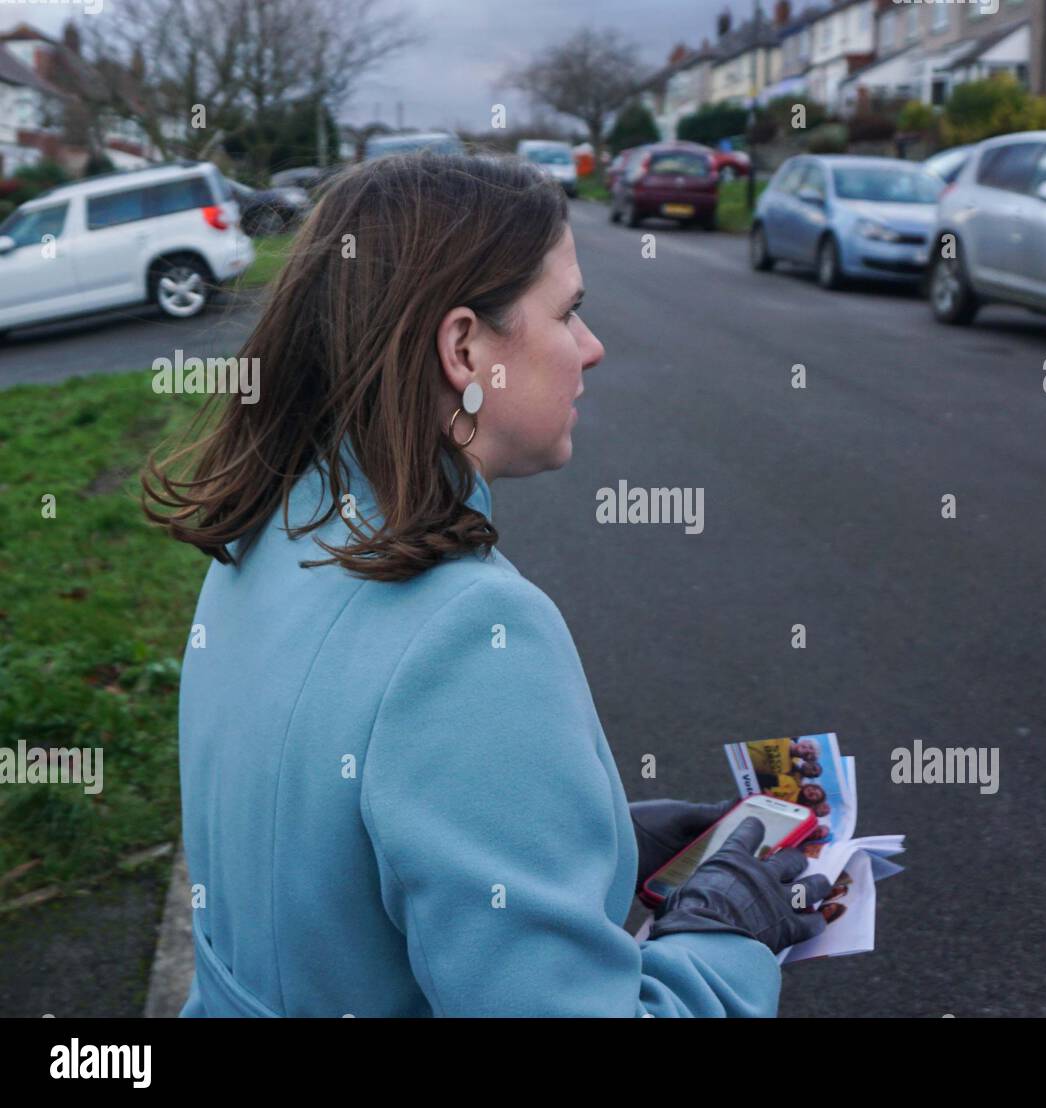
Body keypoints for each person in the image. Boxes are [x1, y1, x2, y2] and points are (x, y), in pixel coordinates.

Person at [143, 152, 829, 1018]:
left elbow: (328, 848)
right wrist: (727, 938)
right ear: (465, 348)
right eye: (569, 312)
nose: (592, 347)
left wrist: (603, 840)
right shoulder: (469, 631)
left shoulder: (269, 529)